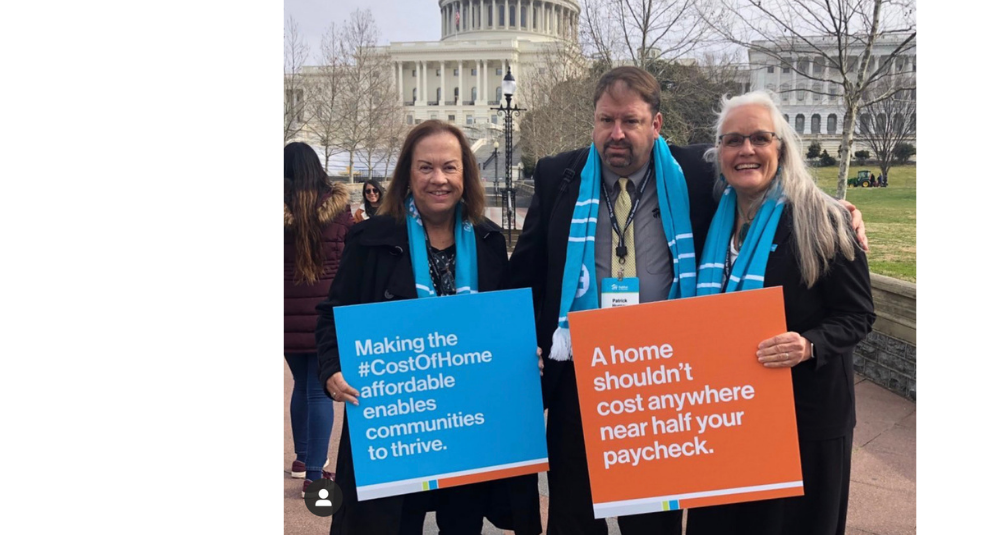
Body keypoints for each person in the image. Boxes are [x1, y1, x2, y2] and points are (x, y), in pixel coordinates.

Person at [504, 67, 869, 535]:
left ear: (656, 125)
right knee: (574, 511)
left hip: (665, 379)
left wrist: (839, 212)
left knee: (653, 519)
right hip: (582, 373)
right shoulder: (559, 175)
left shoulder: (695, 172)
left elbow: (766, 180)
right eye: (605, 120)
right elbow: (529, 273)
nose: (617, 134)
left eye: (631, 121)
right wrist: (523, 345)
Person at [315, 121, 541, 535]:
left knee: (464, 525)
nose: (439, 179)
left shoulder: (489, 241)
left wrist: (526, 354)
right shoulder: (370, 239)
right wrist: (331, 370)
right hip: (400, 427)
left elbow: (504, 326)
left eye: (450, 168)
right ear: (408, 174)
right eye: (426, 168)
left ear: (465, 176)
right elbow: (333, 314)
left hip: (468, 427)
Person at [685, 91, 875, 535]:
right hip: (726, 417)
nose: (746, 150)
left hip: (804, 418)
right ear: (718, 153)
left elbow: (858, 314)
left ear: (781, 147)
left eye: (759, 138)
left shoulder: (821, 218)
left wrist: (810, 344)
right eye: (733, 140)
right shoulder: (708, 216)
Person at [285, 141, 353, 496]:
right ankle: (314, 471)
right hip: (324, 311)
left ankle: (300, 458)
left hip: (284, 312)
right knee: (319, 391)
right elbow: (346, 260)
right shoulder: (338, 211)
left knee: (301, 384)